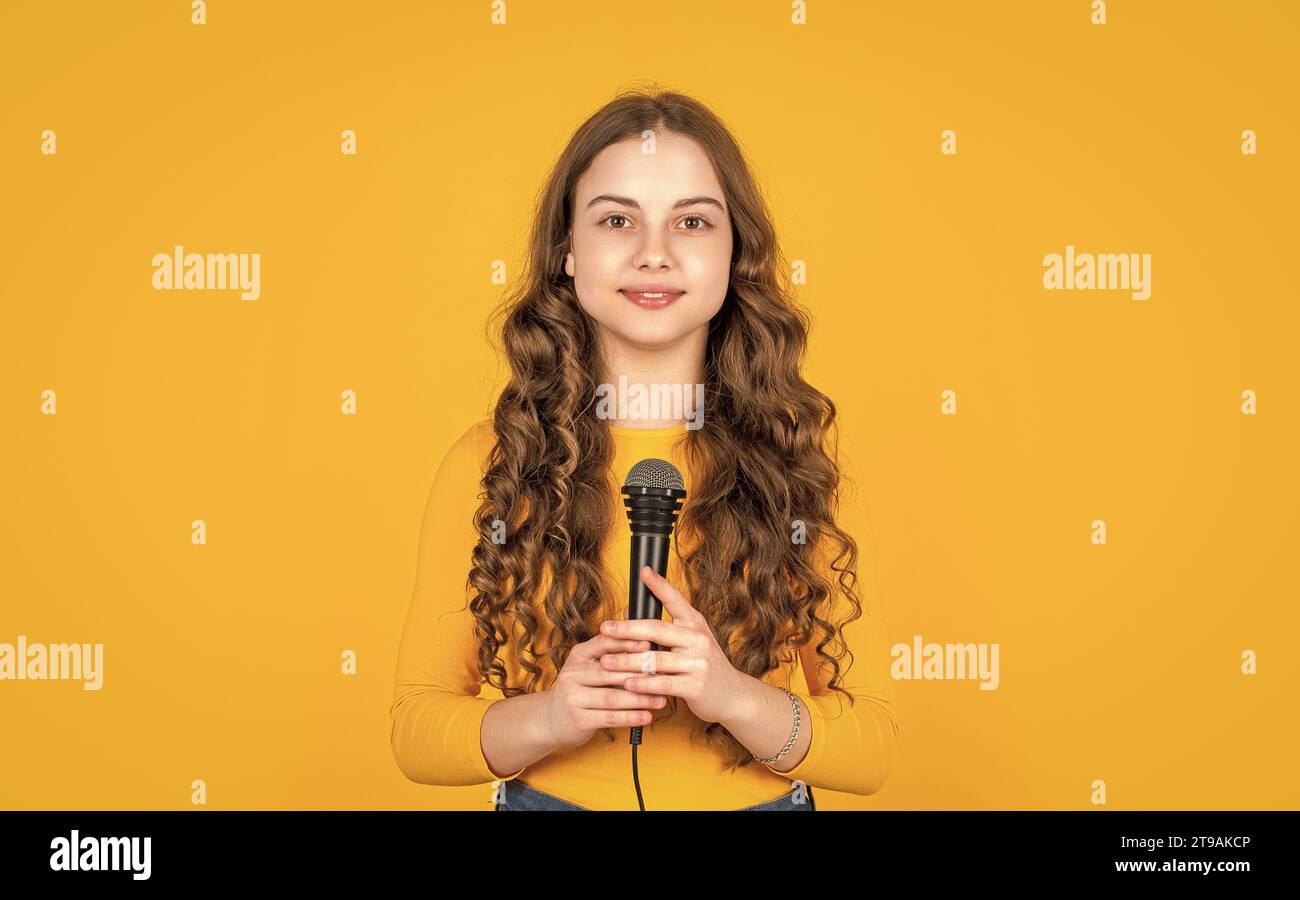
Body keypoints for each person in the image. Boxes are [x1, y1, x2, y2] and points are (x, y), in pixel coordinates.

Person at [390, 87, 900, 811]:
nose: (654, 254)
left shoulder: (799, 467)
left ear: (735, 254)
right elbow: (416, 728)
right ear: (568, 251)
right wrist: (554, 716)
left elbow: (872, 747)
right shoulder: (489, 465)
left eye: (692, 221)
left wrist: (730, 696)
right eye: (617, 220)